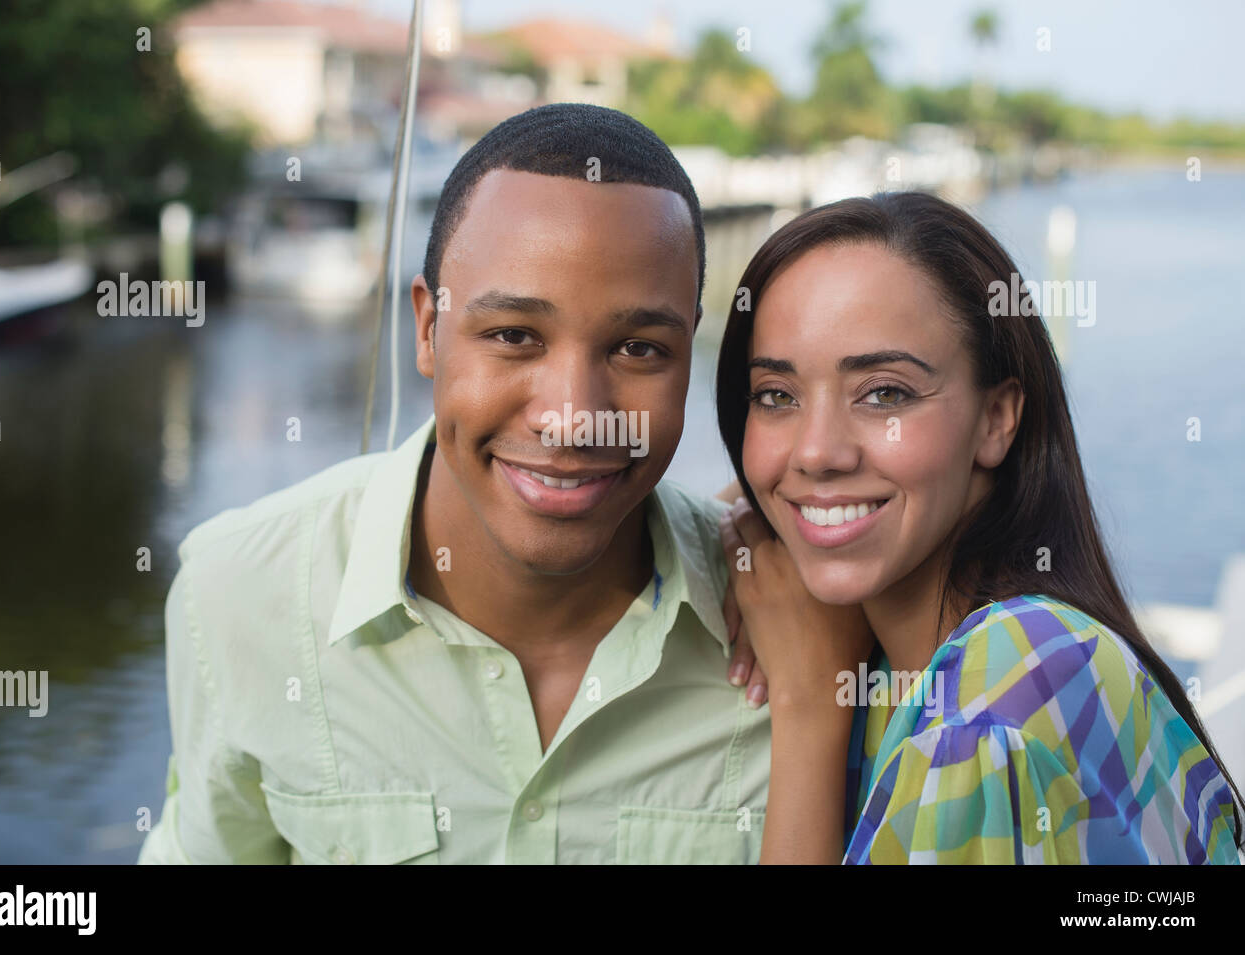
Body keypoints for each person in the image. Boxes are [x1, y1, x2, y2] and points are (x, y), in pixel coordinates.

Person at [138, 103, 779, 865]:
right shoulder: (240, 594)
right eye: (513, 336)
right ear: (427, 330)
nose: (573, 419)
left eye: (639, 348)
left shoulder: (790, 626)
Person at [716, 191, 1244, 864]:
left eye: (885, 393)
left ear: (996, 419)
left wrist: (809, 705)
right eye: (776, 396)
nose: (817, 451)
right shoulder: (932, 667)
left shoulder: (996, 695)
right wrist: (740, 515)